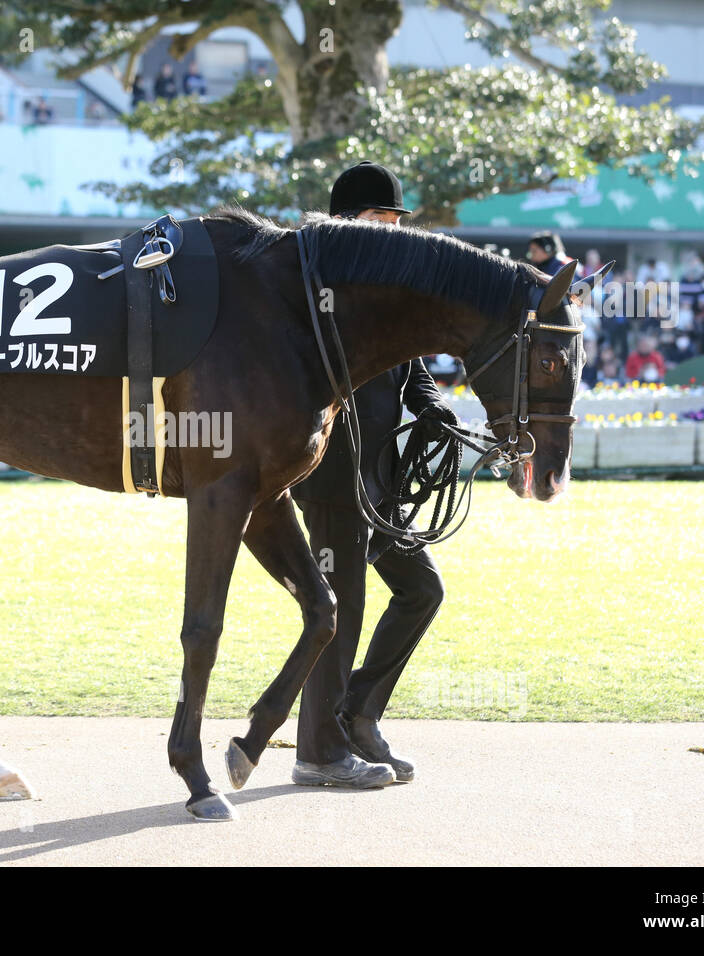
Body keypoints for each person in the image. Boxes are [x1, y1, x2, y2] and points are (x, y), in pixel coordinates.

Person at [290, 161, 457, 790]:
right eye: (378, 217)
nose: (390, 227)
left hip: (382, 480)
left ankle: (359, 714)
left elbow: (410, 369)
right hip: (333, 478)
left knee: (421, 591)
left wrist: (434, 407)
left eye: (393, 218)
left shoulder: (391, 287)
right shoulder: (314, 286)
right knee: (340, 608)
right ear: (343, 222)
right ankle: (317, 752)